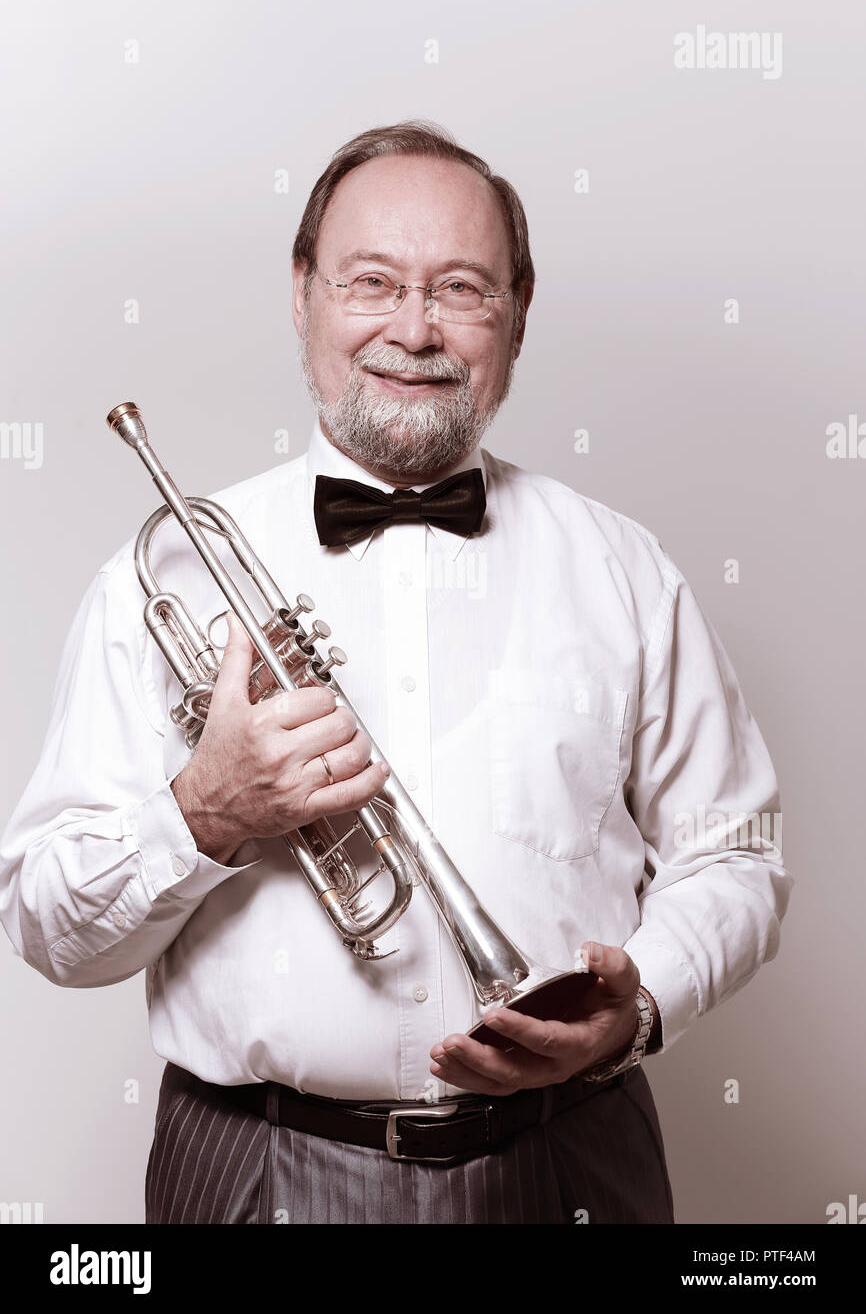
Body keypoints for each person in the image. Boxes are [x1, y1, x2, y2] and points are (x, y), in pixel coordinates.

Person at [0, 120, 792, 1225]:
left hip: (571, 1159)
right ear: (302, 293)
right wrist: (205, 811)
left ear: (515, 311)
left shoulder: (622, 570)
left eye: (459, 289)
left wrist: (644, 997)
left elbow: (736, 854)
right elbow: (47, 927)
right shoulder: (162, 573)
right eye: (371, 282)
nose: (412, 330)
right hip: (257, 1170)